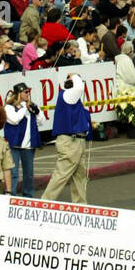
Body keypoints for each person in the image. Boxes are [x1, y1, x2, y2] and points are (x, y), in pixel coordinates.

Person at [42, 72, 92, 204]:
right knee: (61, 175)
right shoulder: (67, 94)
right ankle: (45, 202)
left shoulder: (71, 98)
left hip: (77, 140)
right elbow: (80, 87)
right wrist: (74, 75)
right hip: (71, 141)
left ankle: (80, 204)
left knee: (79, 177)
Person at [4, 83, 47, 198]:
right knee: (13, 173)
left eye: (29, 92)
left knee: (28, 174)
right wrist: (24, 108)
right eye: (25, 92)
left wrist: (37, 112)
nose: (28, 94)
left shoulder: (32, 105)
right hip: (14, 145)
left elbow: (42, 122)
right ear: (19, 94)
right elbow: (14, 120)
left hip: (28, 145)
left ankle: (28, 196)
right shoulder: (9, 107)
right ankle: (11, 195)